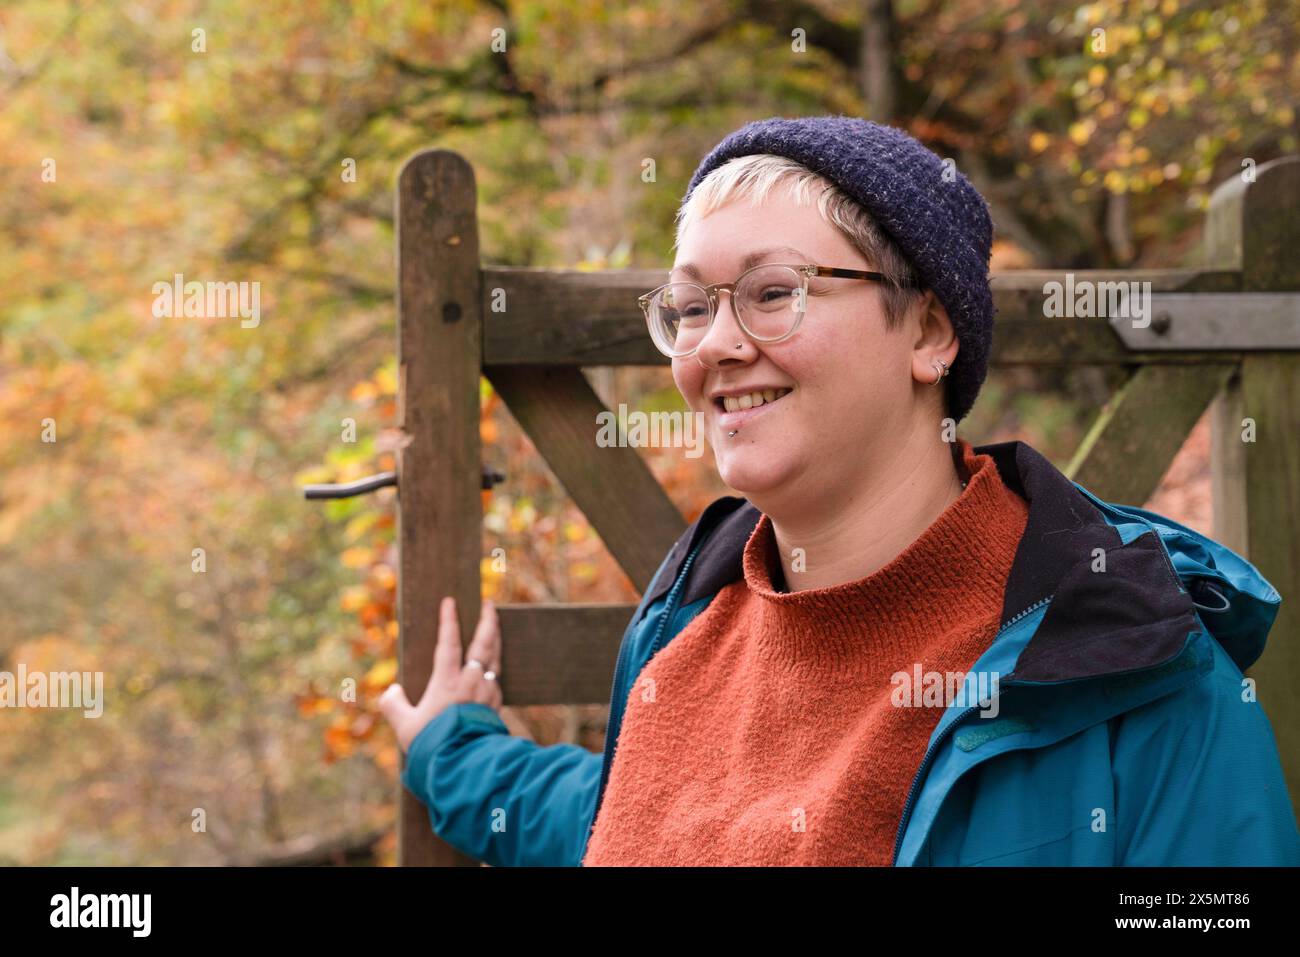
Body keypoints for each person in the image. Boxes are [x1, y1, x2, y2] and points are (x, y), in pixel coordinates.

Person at [379, 115, 1300, 866]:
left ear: (928, 333)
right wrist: (453, 750)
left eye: (772, 292)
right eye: (692, 307)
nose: (716, 343)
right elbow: (633, 819)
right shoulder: (682, 627)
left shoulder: (1136, 675)